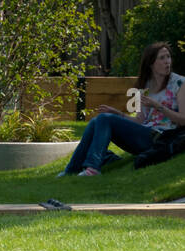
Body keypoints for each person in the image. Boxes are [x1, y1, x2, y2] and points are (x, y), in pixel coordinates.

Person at [61, 41, 184, 176]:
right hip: (143, 135)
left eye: (168, 57)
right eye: (162, 58)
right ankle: (71, 170)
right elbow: (139, 120)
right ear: (151, 63)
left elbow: (183, 120)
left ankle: (93, 168)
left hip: (161, 138)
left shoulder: (179, 83)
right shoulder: (144, 86)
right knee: (96, 121)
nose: (167, 61)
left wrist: (158, 106)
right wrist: (118, 113)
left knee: (104, 119)